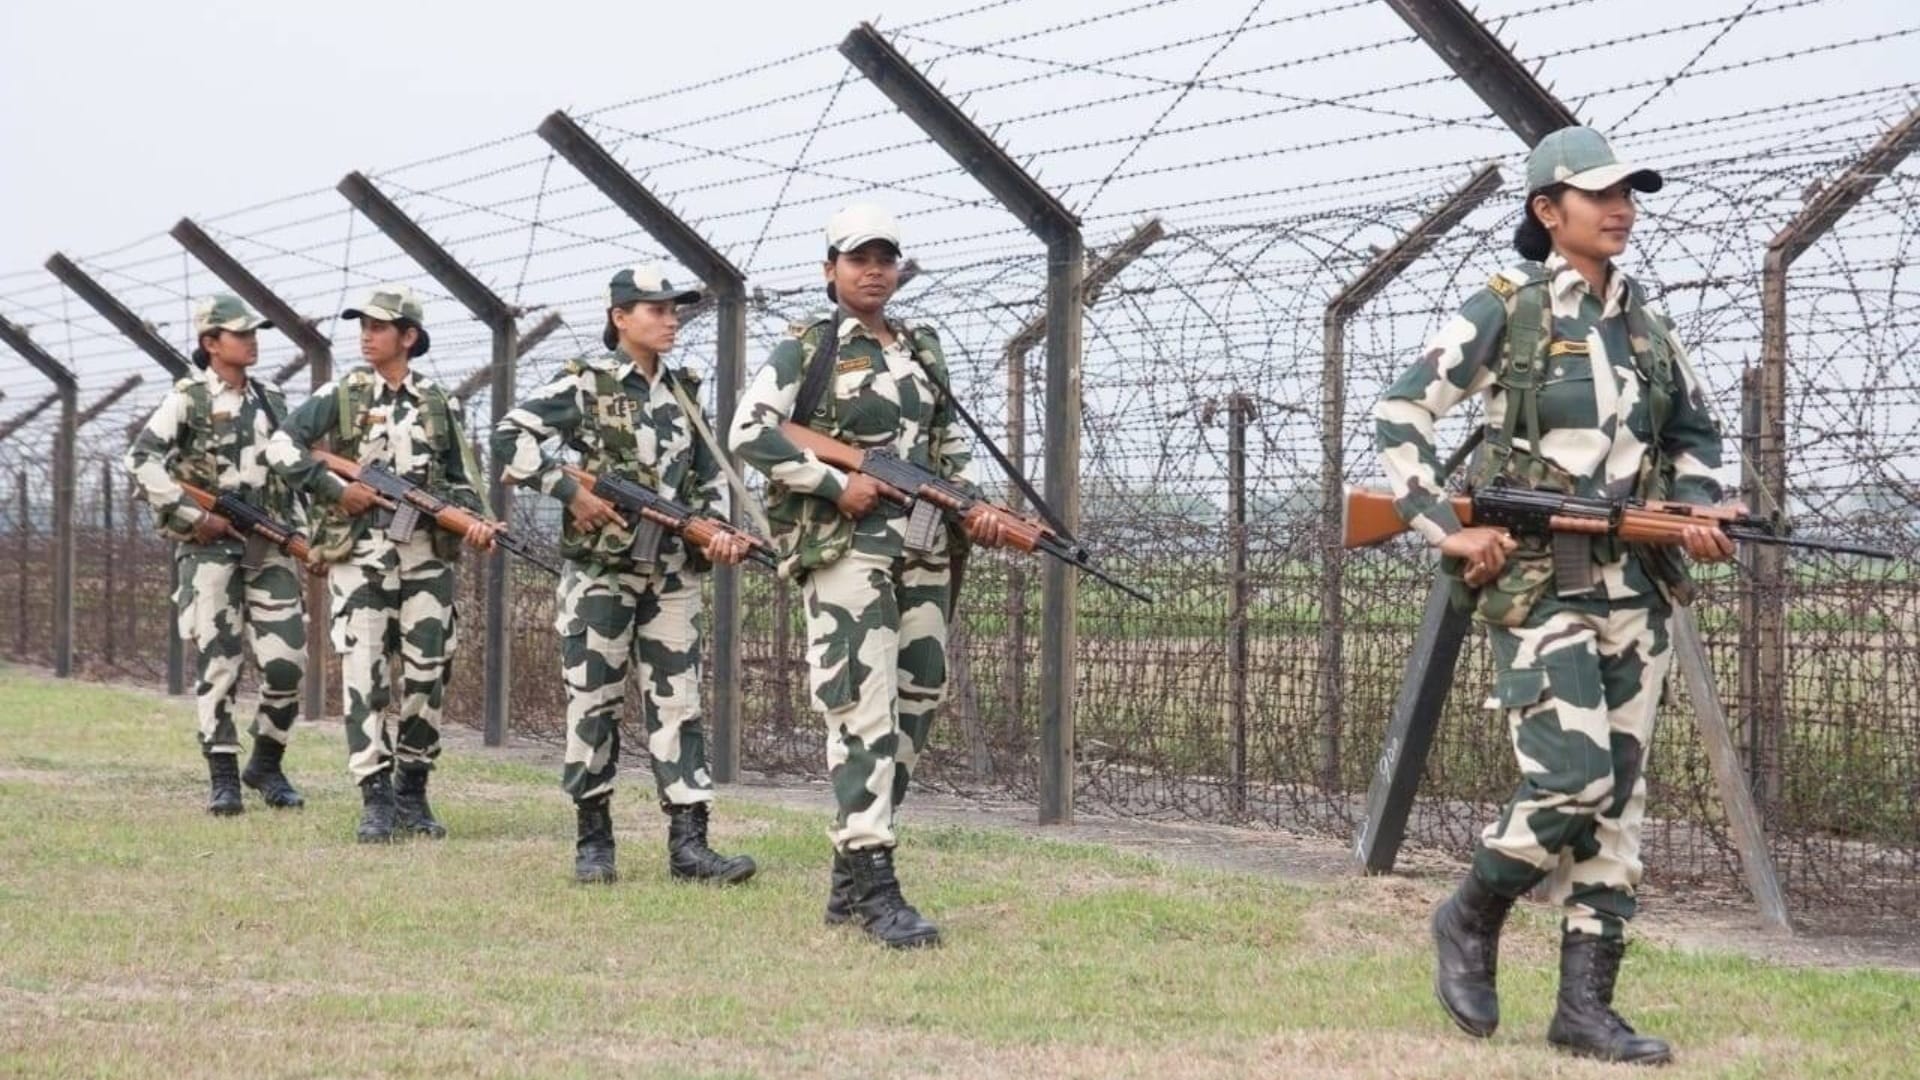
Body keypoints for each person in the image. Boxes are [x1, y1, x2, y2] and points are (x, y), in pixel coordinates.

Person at [1373, 126, 1737, 1065]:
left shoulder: (1648, 327)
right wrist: (1443, 527)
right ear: (1548, 211)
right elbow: (1401, 410)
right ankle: (1469, 913)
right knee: (1572, 778)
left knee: (1618, 798)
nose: (1622, 209)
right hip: (1537, 582)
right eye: (1600, 194)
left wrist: (1692, 511)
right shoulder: (1512, 310)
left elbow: (1697, 434)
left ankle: (1585, 1010)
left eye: (1630, 195)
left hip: (1635, 585)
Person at [730, 204, 1003, 948]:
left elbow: (945, 448)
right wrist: (829, 483)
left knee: (919, 697)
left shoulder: (921, 346)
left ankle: (849, 880)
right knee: (864, 708)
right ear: (830, 270)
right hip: (846, 548)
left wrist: (974, 509)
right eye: (858, 258)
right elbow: (749, 429)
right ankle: (878, 886)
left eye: (885, 257)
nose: (874, 269)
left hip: (922, 548)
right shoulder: (808, 347)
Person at [492, 265, 756, 886]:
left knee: (679, 704)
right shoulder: (584, 384)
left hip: (669, 575)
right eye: (656, 310)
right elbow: (509, 437)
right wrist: (569, 492)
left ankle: (690, 846)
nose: (670, 320)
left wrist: (714, 529)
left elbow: (708, 477)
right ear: (620, 317)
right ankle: (594, 840)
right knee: (594, 703)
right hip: (600, 574)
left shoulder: (685, 391)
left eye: (674, 311)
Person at [266, 285, 498, 843]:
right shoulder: (342, 393)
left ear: (409, 337)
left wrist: (472, 520)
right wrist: (333, 488)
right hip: (362, 555)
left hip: (425, 557)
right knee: (365, 672)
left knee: (427, 673)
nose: (366, 335)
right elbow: (281, 445)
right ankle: (374, 797)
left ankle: (412, 790)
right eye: (362, 326)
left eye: (378, 326)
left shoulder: (442, 404)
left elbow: (466, 479)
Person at [126, 294, 309, 814]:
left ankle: (267, 762)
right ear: (211, 343)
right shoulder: (187, 398)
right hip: (209, 550)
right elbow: (141, 461)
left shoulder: (271, 397)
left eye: (254, 333)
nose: (251, 341)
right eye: (240, 333)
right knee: (219, 662)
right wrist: (192, 516)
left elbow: (293, 466)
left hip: (269, 544)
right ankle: (224, 775)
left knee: (286, 664)